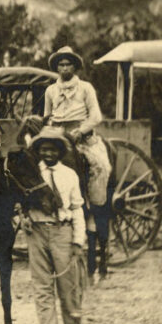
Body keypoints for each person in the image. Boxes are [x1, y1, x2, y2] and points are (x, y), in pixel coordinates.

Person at [26, 127, 88, 324]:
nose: (48, 153)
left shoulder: (69, 175)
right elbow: (19, 201)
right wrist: (21, 218)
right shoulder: (31, 173)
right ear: (39, 150)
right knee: (42, 286)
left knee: (69, 286)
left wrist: (78, 240)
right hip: (37, 232)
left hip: (63, 232)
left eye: (53, 149)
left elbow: (77, 208)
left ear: (60, 152)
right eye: (44, 148)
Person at [43, 46, 111, 211]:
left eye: (68, 64)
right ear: (56, 67)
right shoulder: (50, 91)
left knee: (100, 166)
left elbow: (96, 117)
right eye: (61, 64)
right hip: (57, 135)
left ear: (74, 66)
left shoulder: (85, 88)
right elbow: (47, 117)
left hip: (81, 137)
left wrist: (80, 131)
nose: (64, 68)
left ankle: (95, 206)